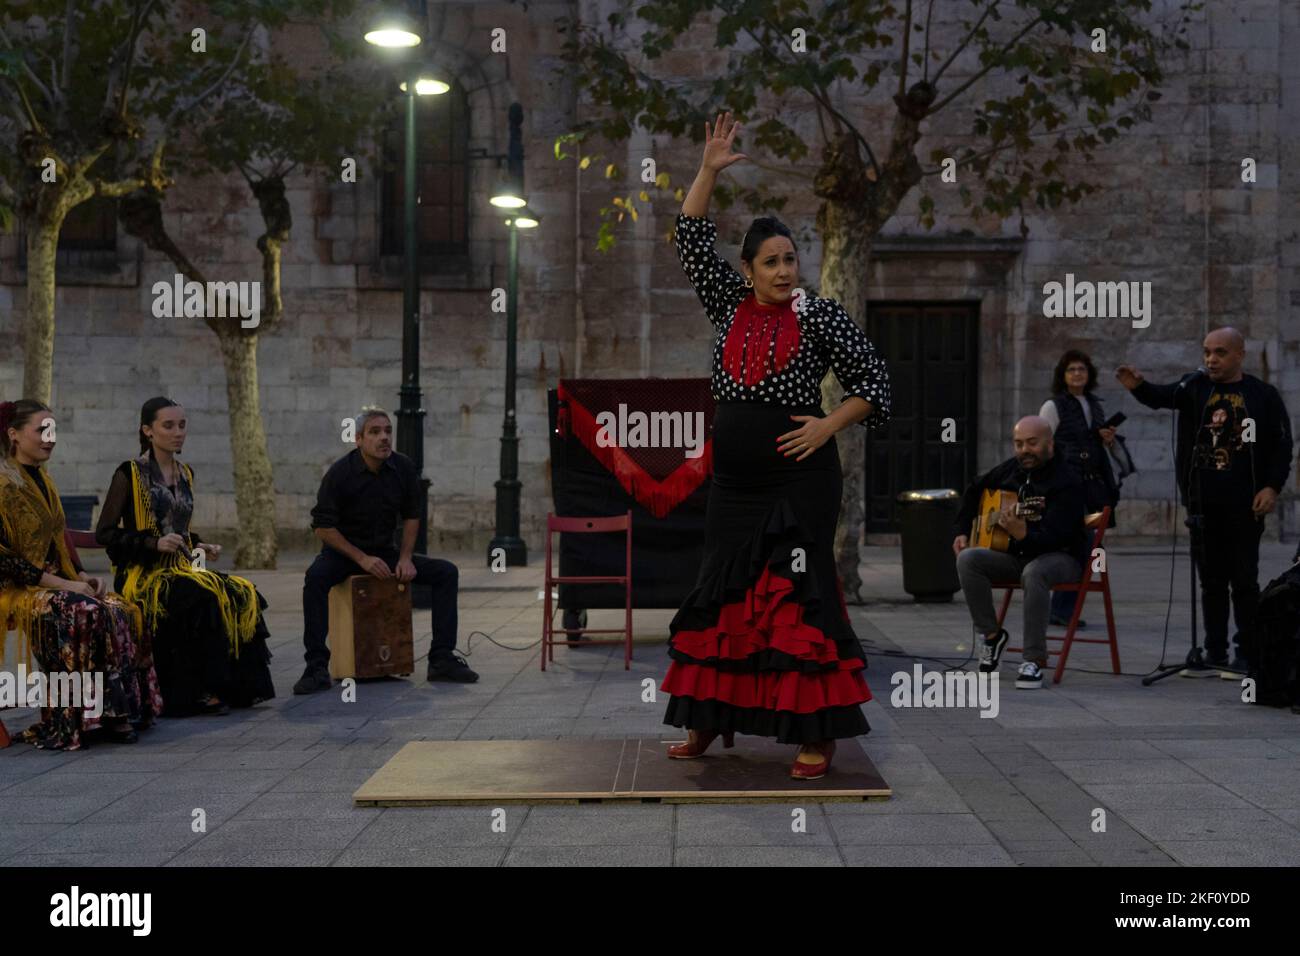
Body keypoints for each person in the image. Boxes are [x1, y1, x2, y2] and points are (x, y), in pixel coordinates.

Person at [659, 112, 892, 779]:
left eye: (792, 259)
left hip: (799, 483)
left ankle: (814, 735)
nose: (786, 270)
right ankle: (707, 718)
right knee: (723, 594)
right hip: (735, 486)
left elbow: (874, 382)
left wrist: (825, 425)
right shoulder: (728, 304)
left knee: (797, 594)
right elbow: (691, 240)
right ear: (749, 269)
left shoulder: (818, 314)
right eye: (773, 261)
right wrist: (706, 169)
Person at [1117, 327, 1293, 671]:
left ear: (1239, 355)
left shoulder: (1262, 395)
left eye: (1220, 353)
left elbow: (1282, 446)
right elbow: (1161, 396)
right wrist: (1138, 386)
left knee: (1243, 580)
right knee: (1210, 581)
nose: (1211, 359)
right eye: (1207, 352)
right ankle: (1215, 651)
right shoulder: (1194, 388)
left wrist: (1271, 487)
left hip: (1245, 504)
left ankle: (1247, 650)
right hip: (1202, 504)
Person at [95, 397, 275, 715]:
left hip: (180, 567)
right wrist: (152, 544)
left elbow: (180, 532)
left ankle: (237, 688)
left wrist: (200, 546)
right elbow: (105, 534)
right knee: (202, 597)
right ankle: (198, 693)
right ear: (148, 431)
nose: (178, 432)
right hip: (143, 575)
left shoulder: (186, 473)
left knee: (242, 591)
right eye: (168, 425)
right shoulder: (129, 473)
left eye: (182, 425)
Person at [0, 399, 162, 748]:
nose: (50, 437)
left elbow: (60, 542)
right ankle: (70, 719)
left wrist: (85, 576)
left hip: (56, 579)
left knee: (120, 608)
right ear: (13, 434)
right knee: (81, 610)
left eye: (53, 430)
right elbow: (6, 561)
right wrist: (65, 584)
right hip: (16, 585)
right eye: (41, 430)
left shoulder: (44, 480)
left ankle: (116, 712)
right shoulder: (3, 484)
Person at [294, 406, 476, 694]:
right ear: (358, 439)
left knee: (446, 573)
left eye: (388, 431)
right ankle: (316, 666)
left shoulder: (402, 467)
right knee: (315, 578)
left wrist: (405, 558)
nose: (384, 438)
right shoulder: (340, 474)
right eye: (375, 432)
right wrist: (362, 559)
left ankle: (441, 659)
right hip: (345, 554)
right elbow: (322, 526)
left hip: (385, 553)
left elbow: (412, 514)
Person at [952, 416, 1088, 689]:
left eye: (1032, 443)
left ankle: (1033, 660)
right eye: (1018, 444)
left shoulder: (1068, 480)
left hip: (1063, 557)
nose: (1024, 450)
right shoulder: (1011, 470)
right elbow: (974, 488)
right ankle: (991, 636)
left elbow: (1057, 537)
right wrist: (962, 531)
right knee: (969, 559)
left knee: (1034, 571)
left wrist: (1022, 533)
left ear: (1049, 443)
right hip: (1018, 554)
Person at [1038, 349, 1135, 627]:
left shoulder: (1095, 405)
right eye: (1071, 370)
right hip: (1067, 489)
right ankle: (1061, 608)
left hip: (1093, 488)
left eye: (1081, 369)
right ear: (1063, 375)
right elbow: (1043, 444)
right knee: (1082, 543)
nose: (1077, 374)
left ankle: (1064, 607)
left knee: (1091, 545)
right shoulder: (1053, 406)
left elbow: (1096, 443)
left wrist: (1104, 437)